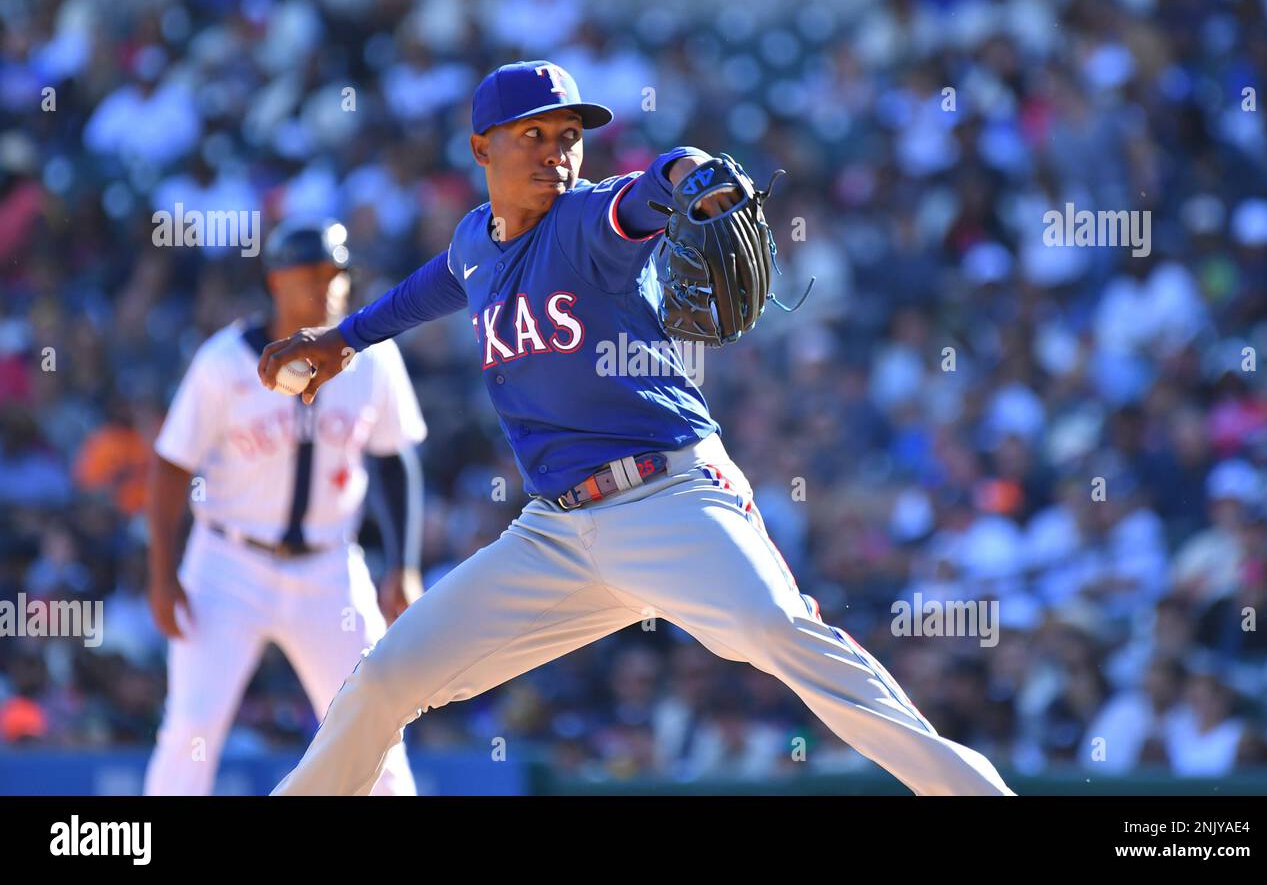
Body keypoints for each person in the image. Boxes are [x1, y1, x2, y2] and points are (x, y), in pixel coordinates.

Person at [259, 61, 1016, 795]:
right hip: (554, 536)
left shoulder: (589, 219)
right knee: (385, 679)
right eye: (535, 135)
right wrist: (346, 338)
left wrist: (689, 174)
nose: (556, 152)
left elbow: (653, 187)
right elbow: (437, 284)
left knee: (783, 634)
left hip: (672, 501)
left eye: (569, 137)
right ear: (481, 148)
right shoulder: (472, 242)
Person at [145, 219, 424, 795]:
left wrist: (403, 565)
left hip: (329, 568)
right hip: (227, 564)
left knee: (375, 719)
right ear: (275, 281)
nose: (325, 287)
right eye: (309, 275)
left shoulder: (372, 359)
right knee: (192, 724)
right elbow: (172, 466)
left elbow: (394, 459)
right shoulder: (225, 361)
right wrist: (161, 574)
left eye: (335, 273)